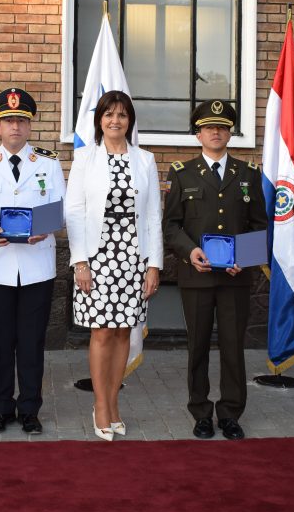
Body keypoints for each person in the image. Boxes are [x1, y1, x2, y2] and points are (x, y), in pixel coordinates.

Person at [162, 100, 267, 441]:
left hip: (235, 278)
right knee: (199, 346)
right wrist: (189, 250)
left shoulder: (249, 175)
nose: (216, 132)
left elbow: (259, 225)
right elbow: (171, 224)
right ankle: (201, 411)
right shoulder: (182, 173)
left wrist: (246, 258)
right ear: (198, 134)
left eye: (222, 127)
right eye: (209, 127)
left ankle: (231, 412)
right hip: (197, 277)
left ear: (230, 133)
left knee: (234, 347)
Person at [66, 90, 163, 441]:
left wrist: (154, 265)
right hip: (98, 257)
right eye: (109, 114)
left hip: (134, 257)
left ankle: (114, 403)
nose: (115, 121)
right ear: (100, 120)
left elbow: (153, 215)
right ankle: (101, 406)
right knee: (102, 331)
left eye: (122, 115)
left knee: (124, 331)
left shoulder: (145, 161)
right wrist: (80, 262)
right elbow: (74, 211)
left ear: (129, 121)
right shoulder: (84, 158)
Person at [0, 88, 66, 435]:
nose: (15, 127)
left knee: (31, 341)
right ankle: (0, 408)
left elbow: (59, 209)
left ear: (30, 126)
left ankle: (29, 408)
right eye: (8, 121)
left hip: (37, 266)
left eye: (21, 121)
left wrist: (41, 229)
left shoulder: (49, 163)